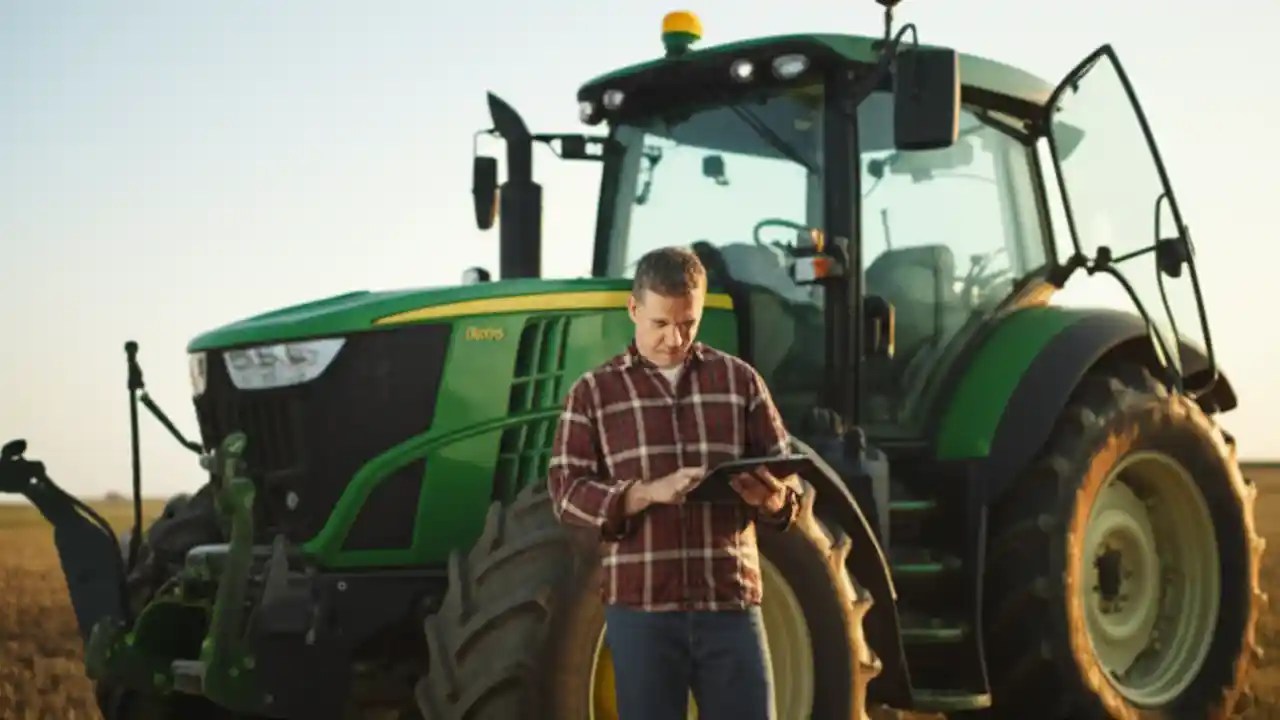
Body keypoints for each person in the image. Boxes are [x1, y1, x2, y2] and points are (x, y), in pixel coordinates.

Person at [546, 245, 801, 720]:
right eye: (661, 324)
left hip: (730, 606)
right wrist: (643, 493)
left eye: (688, 323)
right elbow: (565, 494)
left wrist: (772, 501)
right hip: (641, 612)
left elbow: (788, 487)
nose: (674, 338)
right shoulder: (593, 394)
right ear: (633, 309)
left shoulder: (739, 382)